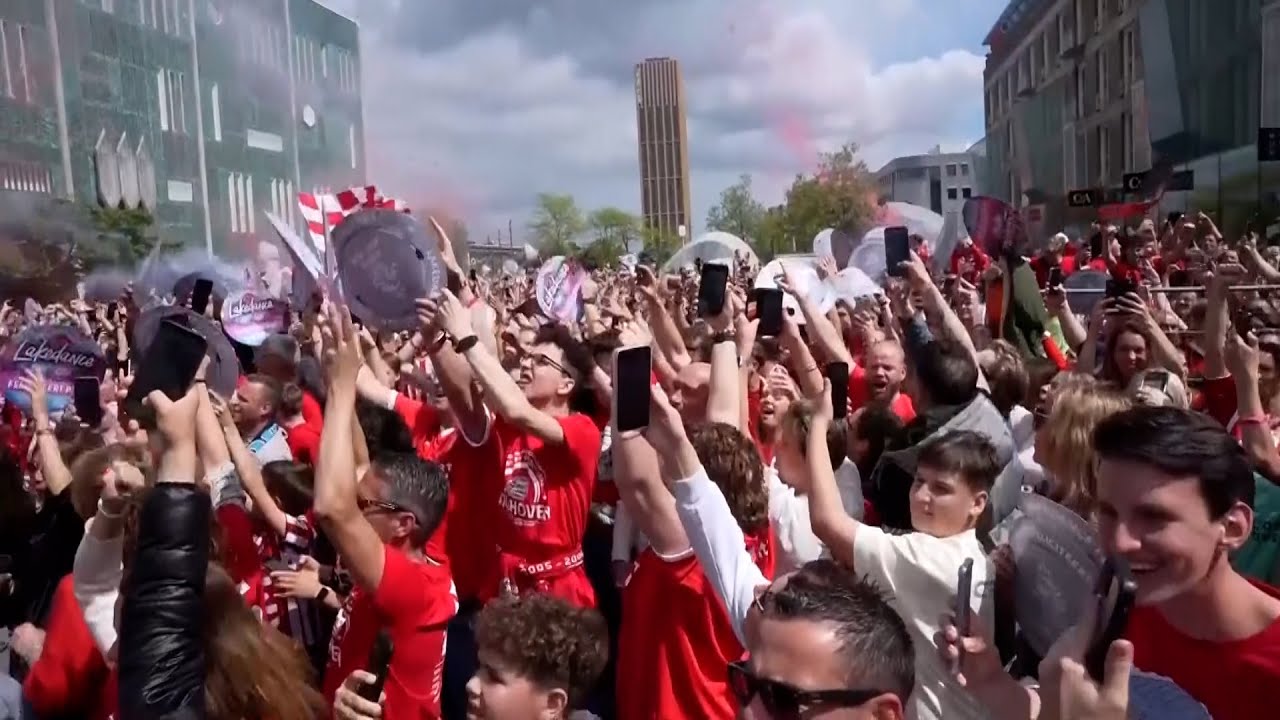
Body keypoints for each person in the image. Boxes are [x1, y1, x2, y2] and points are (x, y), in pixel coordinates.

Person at [314, 303, 457, 718]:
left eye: (363, 507)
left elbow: (332, 507)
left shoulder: (412, 587)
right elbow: (359, 465)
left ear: (403, 524)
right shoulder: (412, 552)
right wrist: (334, 381)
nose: (354, 510)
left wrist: (343, 389)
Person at [423, 290, 602, 606]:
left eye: (541, 361)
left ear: (566, 384)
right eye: (527, 358)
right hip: (506, 586)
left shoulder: (582, 430)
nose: (527, 365)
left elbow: (517, 410)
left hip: (558, 594)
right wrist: (434, 340)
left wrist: (465, 335)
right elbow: (464, 398)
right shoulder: (508, 428)